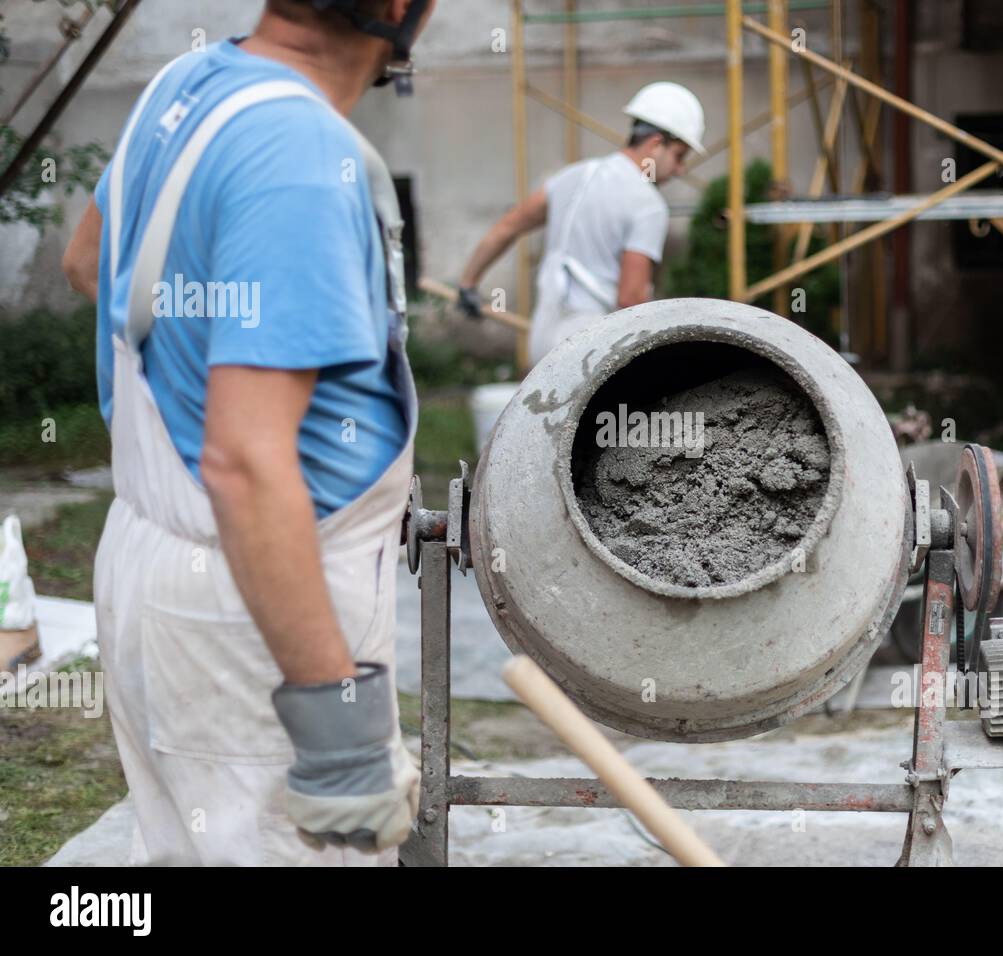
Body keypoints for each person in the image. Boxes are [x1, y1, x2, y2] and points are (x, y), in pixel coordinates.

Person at [60, 0, 435, 866]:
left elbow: (90, 264)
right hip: (253, 600)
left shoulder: (186, 81)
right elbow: (245, 461)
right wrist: (338, 736)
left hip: (155, 562)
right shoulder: (301, 155)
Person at [457, 82, 706, 366]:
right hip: (592, 345)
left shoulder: (574, 176)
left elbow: (507, 227)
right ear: (656, 143)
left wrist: (468, 284)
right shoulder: (648, 204)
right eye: (679, 156)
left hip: (542, 338)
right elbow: (631, 298)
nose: (680, 169)